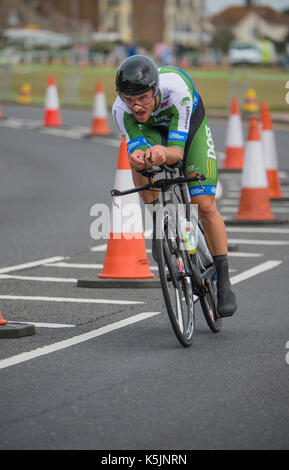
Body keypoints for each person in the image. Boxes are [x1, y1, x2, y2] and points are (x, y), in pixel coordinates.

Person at [112, 55, 237, 318]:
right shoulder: (121, 110)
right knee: (141, 164)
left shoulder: (176, 89)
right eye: (129, 99)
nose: (135, 106)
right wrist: (140, 156)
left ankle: (224, 279)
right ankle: (160, 226)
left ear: (155, 90)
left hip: (188, 128)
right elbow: (137, 145)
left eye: (143, 98)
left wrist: (163, 152)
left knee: (203, 205)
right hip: (153, 130)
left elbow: (177, 153)